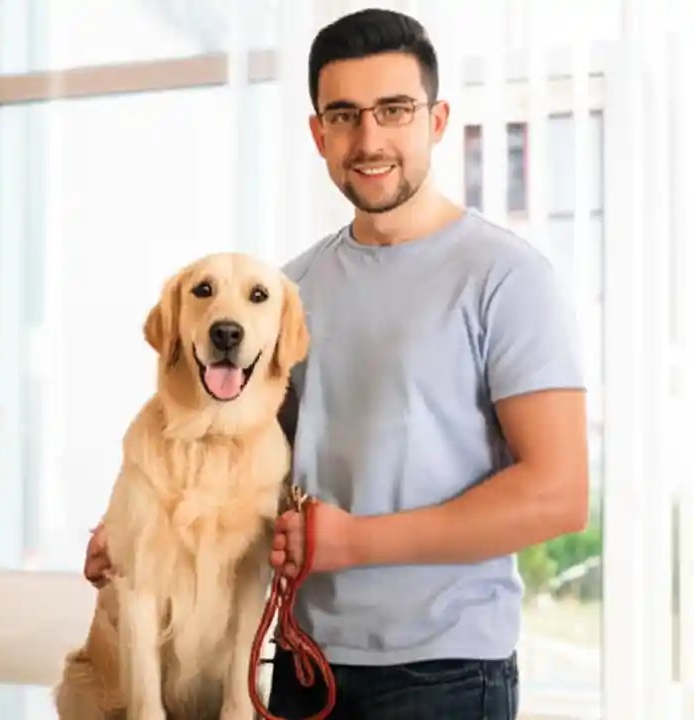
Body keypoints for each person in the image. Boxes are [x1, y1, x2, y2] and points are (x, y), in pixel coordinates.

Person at [84, 9, 588, 719]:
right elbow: (240, 451)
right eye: (345, 115)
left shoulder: (507, 278)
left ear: (437, 120)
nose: (370, 139)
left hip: (443, 678)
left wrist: (358, 543)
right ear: (318, 133)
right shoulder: (285, 293)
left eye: (395, 110)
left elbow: (558, 493)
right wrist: (134, 533)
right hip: (298, 666)